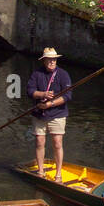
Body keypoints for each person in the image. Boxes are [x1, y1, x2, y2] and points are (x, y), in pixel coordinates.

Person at [27, 47, 73, 181]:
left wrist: (50, 104)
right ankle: (40, 171)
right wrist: (43, 94)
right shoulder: (36, 74)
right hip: (39, 113)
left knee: (57, 142)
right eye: (49, 60)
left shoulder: (63, 75)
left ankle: (58, 174)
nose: (52, 62)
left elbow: (68, 95)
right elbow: (30, 91)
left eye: (54, 60)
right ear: (44, 61)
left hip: (57, 113)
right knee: (40, 141)